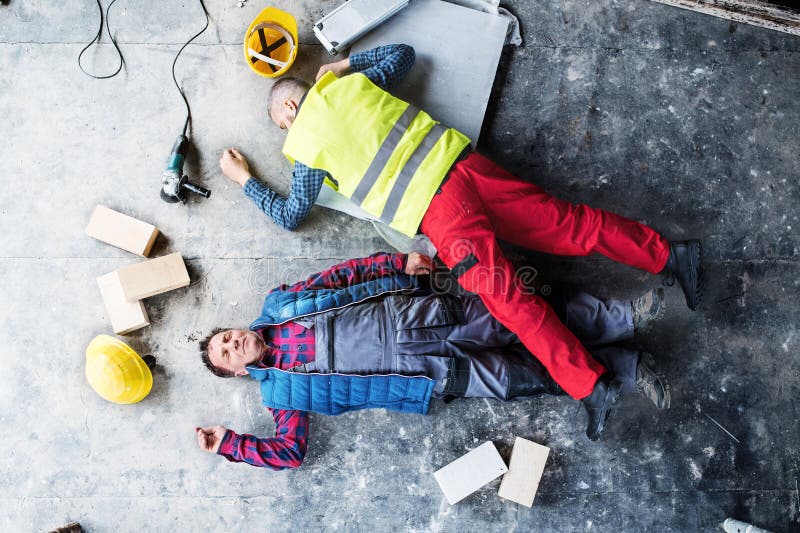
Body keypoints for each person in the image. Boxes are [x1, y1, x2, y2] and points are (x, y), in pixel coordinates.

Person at [217, 43, 701, 441]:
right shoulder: (349, 85)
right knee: (567, 223)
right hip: (466, 170)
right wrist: (343, 64)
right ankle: (669, 254)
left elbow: (289, 215)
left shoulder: (305, 147)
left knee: (512, 304)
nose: (286, 130)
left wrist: (244, 181)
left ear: (288, 106)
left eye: (282, 124)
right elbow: (403, 56)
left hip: (443, 215)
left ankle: (590, 385)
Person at [195, 252, 670, 469]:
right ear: (236, 372)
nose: (231, 343)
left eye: (226, 337)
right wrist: (230, 444)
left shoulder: (279, 305)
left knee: (519, 313)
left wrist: (395, 263)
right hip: (422, 376)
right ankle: (626, 368)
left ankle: (624, 317)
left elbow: (339, 277)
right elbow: (290, 453)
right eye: (224, 353)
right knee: (523, 378)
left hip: (415, 319)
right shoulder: (279, 394)